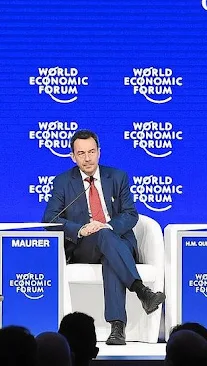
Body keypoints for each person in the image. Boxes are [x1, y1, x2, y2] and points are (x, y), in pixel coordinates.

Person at [43, 129, 166, 345]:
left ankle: (117, 329)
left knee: (109, 247)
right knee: (104, 240)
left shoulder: (117, 177)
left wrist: (107, 226)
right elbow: (50, 220)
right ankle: (141, 291)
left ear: (99, 152)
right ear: (72, 156)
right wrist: (80, 229)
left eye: (91, 151)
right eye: (81, 153)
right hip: (84, 245)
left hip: (116, 240)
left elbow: (130, 214)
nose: (87, 158)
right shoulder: (62, 182)